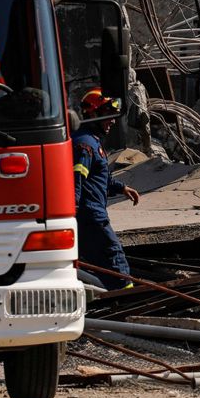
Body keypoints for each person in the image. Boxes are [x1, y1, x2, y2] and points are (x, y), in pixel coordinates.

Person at [72, 88, 140, 290]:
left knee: (98, 263)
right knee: (114, 259)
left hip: (89, 214)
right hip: (90, 216)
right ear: (92, 115)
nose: (112, 121)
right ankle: (126, 301)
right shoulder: (84, 145)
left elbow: (98, 178)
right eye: (107, 115)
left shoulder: (90, 141)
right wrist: (72, 213)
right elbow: (76, 180)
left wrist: (121, 188)